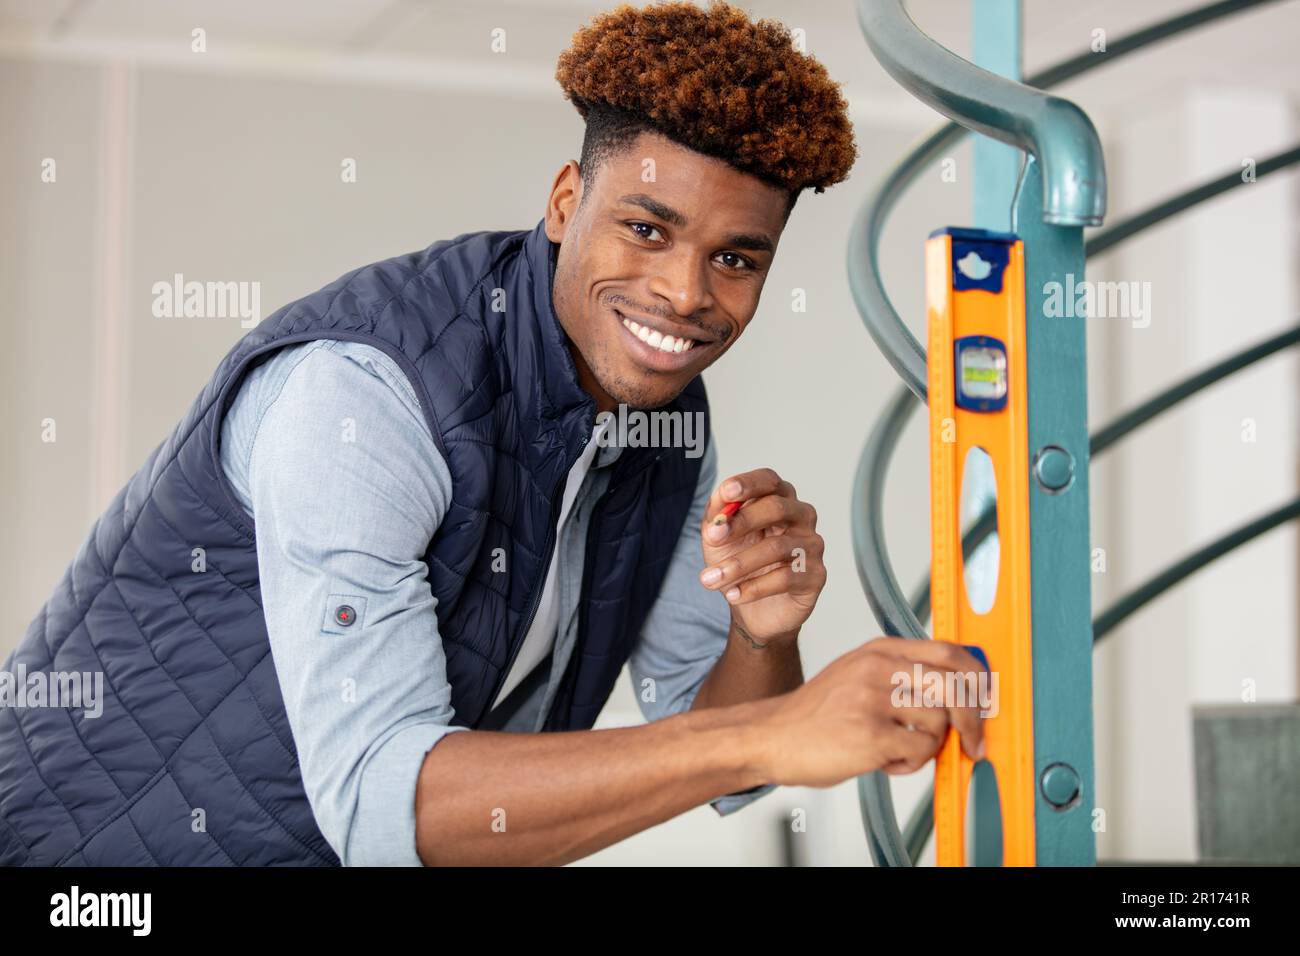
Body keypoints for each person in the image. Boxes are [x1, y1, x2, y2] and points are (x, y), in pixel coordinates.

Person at [0, 0, 984, 867]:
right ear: (566, 203)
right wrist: (771, 734)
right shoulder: (363, 394)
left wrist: (761, 641)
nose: (686, 294)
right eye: (647, 228)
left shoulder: (666, 420)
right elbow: (386, 805)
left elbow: (711, 745)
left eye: (734, 257)